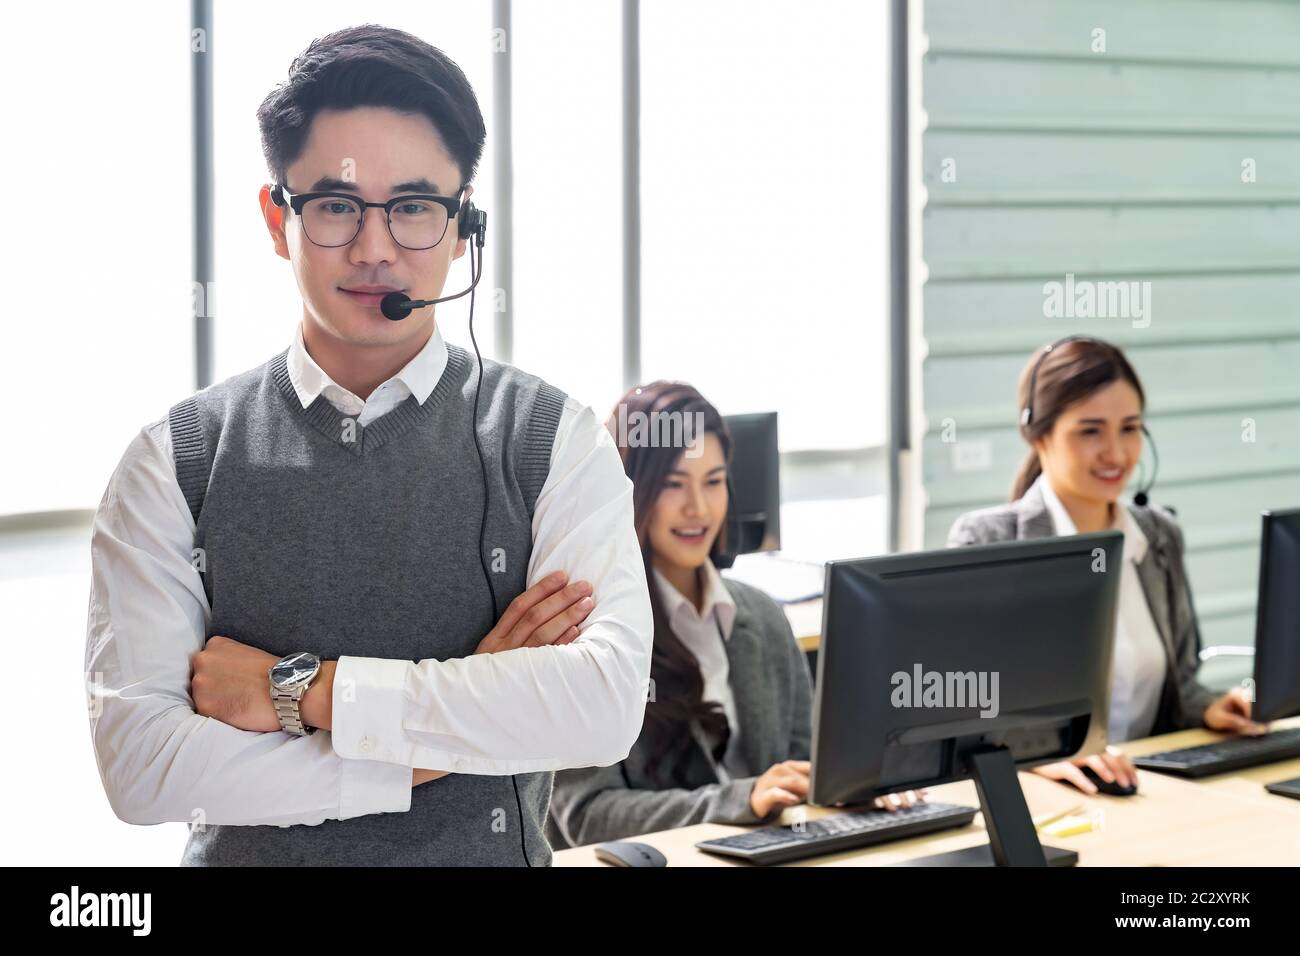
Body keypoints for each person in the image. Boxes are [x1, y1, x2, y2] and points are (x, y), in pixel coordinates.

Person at [84, 24, 653, 867]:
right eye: (338, 206)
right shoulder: (175, 460)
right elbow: (145, 768)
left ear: (464, 229)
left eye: (416, 207)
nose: (377, 247)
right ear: (279, 220)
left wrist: (298, 692)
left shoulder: (552, 442)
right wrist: (435, 747)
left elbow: (600, 707)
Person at [548, 381, 922, 849]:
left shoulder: (762, 616)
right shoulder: (587, 631)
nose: (698, 508)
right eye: (673, 484)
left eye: (713, 481)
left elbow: (805, 764)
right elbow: (585, 815)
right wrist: (740, 800)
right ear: (631, 490)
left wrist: (861, 789)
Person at [946, 336, 1262, 795]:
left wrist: (1211, 707)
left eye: (1130, 428)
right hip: (1046, 797)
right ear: (1038, 434)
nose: (1116, 453)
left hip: (1152, 788)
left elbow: (1181, 685)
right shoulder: (986, 542)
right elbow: (957, 712)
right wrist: (1033, 753)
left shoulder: (1158, 537)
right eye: (1090, 430)